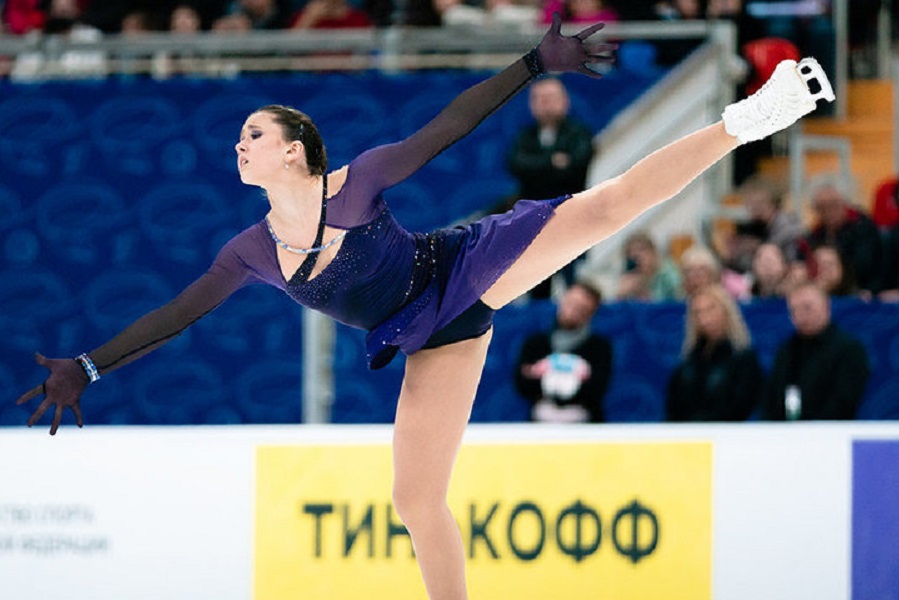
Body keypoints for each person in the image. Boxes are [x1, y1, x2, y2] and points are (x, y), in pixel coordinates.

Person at [14, 16, 833, 597]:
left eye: (252, 135)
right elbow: (176, 314)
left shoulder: (357, 182)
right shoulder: (250, 251)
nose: (240, 144)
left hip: (459, 267)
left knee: (604, 207)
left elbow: (449, 125)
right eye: (239, 139)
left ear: (293, 151)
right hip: (424, 334)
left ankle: (750, 117)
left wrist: (532, 64)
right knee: (413, 501)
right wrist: (90, 366)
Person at [505, 76, 595, 298]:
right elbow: (516, 164)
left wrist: (540, 167)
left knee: (574, 284)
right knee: (535, 284)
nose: (545, 104)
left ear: (564, 101)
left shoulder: (578, 133)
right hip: (535, 222)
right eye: (539, 99)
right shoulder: (525, 137)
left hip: (570, 218)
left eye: (551, 98)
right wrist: (552, 161)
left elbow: (575, 166)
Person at [762, 282, 869, 420]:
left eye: (807, 308)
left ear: (826, 307)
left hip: (831, 429)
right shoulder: (787, 350)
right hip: (786, 429)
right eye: (794, 310)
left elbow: (844, 402)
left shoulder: (849, 350)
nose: (801, 315)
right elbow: (772, 398)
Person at [514, 279, 612, 423]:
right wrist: (555, 381)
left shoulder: (599, 347)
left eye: (581, 308)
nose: (572, 311)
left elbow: (597, 388)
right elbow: (522, 383)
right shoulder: (535, 344)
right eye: (570, 303)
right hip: (539, 423)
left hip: (585, 425)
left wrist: (553, 379)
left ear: (591, 312)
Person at [666, 284, 763, 421]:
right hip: (686, 432)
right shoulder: (688, 362)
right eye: (698, 312)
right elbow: (673, 406)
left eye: (711, 309)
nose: (704, 318)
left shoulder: (744, 359)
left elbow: (740, 407)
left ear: (727, 312)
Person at [797, 177, 883, 295]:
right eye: (821, 207)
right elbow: (803, 261)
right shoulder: (814, 235)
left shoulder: (862, 226)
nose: (828, 211)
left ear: (844, 202)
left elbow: (867, 266)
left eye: (833, 204)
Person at [615, 230, 681, 301]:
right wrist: (622, 295)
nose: (636, 256)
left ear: (653, 252)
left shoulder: (669, 275)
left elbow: (675, 302)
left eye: (641, 250)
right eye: (630, 252)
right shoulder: (631, 279)